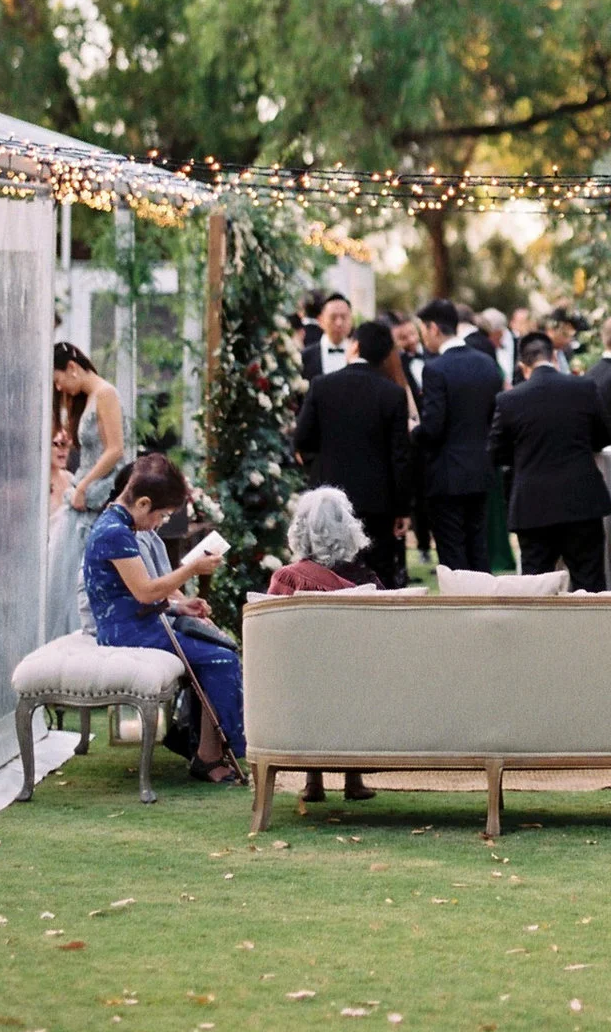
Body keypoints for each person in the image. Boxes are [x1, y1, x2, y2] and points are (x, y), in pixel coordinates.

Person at [84, 454, 241, 783]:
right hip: (128, 632)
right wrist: (191, 569)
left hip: (140, 623)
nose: (160, 523)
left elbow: (135, 594)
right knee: (221, 658)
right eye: (162, 515)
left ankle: (210, 751)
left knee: (217, 648)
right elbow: (144, 592)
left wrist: (179, 607)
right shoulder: (115, 533)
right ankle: (213, 755)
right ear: (143, 503)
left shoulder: (116, 525)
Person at [262, 486, 380, 802]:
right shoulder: (365, 580)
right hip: (354, 680)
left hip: (301, 681)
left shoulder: (287, 578)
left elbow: (271, 632)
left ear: (300, 529)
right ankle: (353, 780)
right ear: (348, 528)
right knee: (354, 683)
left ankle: (313, 781)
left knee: (309, 684)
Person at [489, 331, 611, 590]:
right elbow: (605, 436)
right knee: (589, 583)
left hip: (532, 504)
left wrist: (524, 456)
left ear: (523, 366)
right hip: (581, 500)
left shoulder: (509, 400)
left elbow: (496, 452)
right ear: (555, 357)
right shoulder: (584, 388)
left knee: (537, 588)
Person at [293, 320, 416, 588]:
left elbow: (302, 438)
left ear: (355, 346)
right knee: (377, 572)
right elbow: (400, 456)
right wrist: (402, 509)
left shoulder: (322, 385)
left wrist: (321, 462)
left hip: (329, 496)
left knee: (331, 570)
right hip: (378, 499)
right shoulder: (393, 394)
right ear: (385, 355)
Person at [412, 298, 504, 574]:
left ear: (433, 328)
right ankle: (484, 597)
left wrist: (413, 430)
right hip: (481, 469)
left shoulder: (435, 368)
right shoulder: (486, 363)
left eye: (423, 330)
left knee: (453, 551)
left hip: (447, 474)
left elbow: (433, 428)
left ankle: (459, 600)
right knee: (478, 546)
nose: (423, 337)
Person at [43, 342, 125, 639]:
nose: (60, 387)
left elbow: (115, 449)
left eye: (58, 379)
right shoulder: (90, 398)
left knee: (78, 570)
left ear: (72, 368)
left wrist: (85, 485)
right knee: (66, 572)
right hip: (84, 490)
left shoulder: (105, 394)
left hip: (97, 490)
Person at [304, 291, 355, 377]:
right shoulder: (306, 356)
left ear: (351, 320)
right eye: (333, 317)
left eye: (343, 317)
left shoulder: (360, 356)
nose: (339, 323)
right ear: (321, 320)